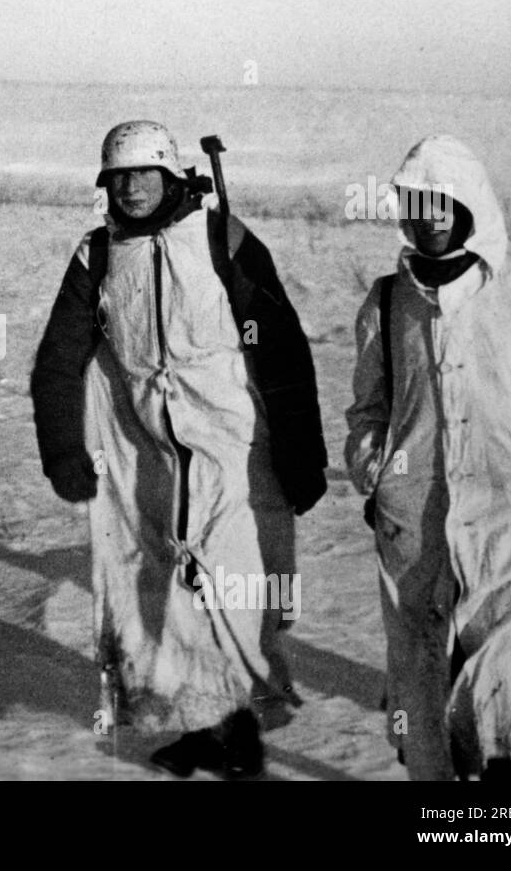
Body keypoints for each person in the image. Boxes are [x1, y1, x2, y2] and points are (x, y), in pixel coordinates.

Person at [31, 120, 328, 777]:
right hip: (147, 455)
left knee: (235, 593)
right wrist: (62, 446)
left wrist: (303, 452)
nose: (132, 187)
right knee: (167, 597)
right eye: (119, 176)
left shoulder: (225, 242)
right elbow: (60, 356)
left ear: (172, 176)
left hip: (235, 449)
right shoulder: (99, 256)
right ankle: (199, 728)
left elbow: (282, 348)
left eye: (144, 173)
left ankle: (244, 729)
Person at [346, 134, 511, 780]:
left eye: (442, 201)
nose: (426, 215)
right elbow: (367, 414)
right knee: (431, 734)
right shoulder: (385, 304)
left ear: (470, 206)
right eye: (414, 200)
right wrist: (375, 472)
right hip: (418, 558)